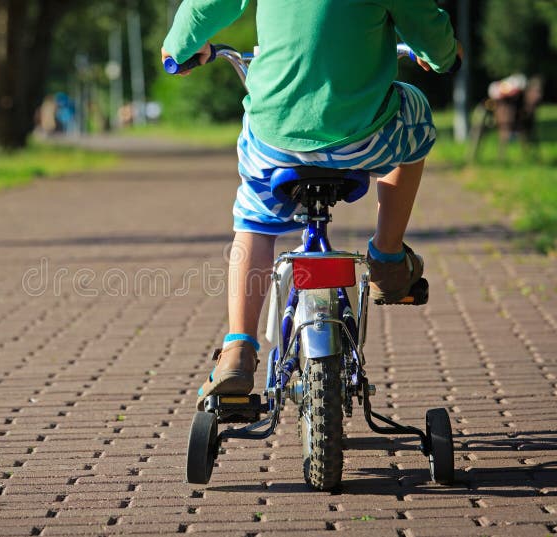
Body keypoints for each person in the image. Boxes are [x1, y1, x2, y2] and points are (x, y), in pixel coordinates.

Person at [161, 0, 463, 409]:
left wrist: (179, 47)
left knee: (253, 219)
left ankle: (238, 348)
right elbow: (426, 24)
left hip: (275, 142)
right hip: (364, 138)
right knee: (416, 113)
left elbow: (208, 5)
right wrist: (441, 55)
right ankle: (388, 257)